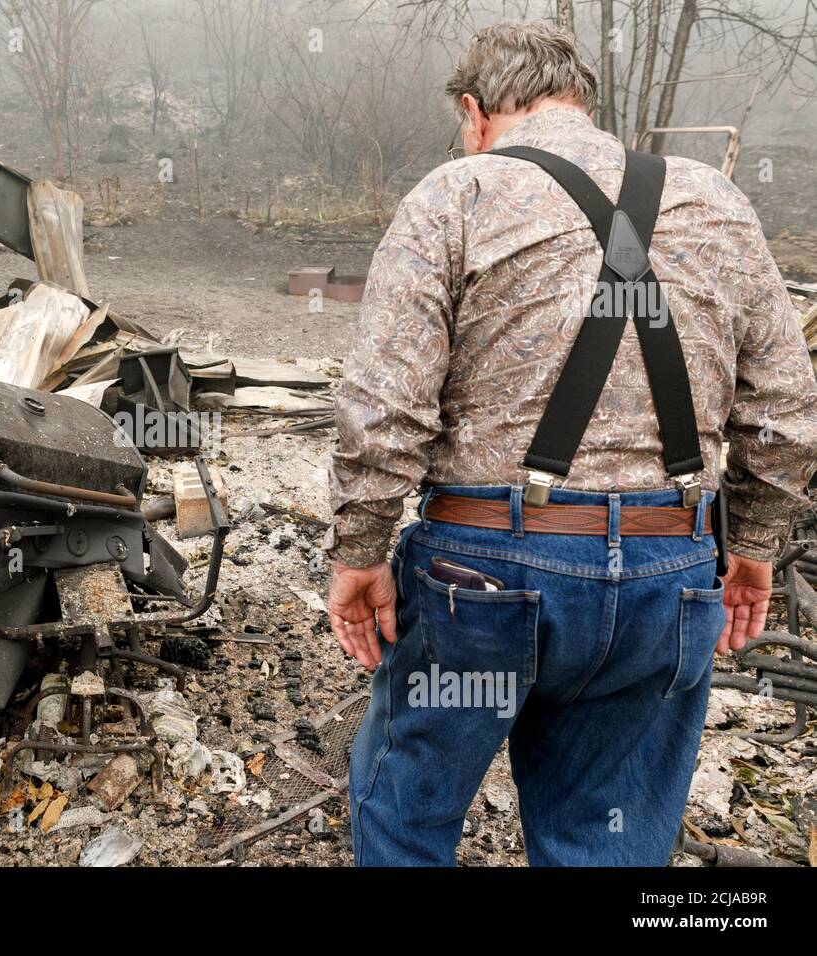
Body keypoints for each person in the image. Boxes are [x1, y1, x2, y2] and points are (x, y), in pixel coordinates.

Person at [326, 20, 817, 866]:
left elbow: (385, 404)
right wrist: (758, 543)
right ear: (580, 103)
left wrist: (359, 550)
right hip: (671, 579)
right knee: (608, 836)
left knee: (408, 810)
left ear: (476, 113)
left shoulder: (456, 193)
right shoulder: (716, 201)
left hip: (478, 582)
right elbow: (786, 408)